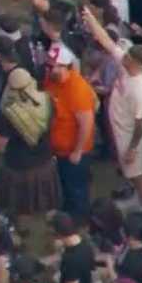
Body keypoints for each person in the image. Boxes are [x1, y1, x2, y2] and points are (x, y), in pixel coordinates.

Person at [83, 6, 142, 203]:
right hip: (117, 126)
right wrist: (90, 19)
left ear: (140, 64)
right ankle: (128, 189)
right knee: (124, 168)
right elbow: (105, 40)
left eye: (129, 59)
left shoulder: (140, 89)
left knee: (137, 173)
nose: (124, 59)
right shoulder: (126, 63)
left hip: (130, 134)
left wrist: (132, 148)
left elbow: (140, 122)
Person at [44, 42, 97, 220]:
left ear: (65, 66)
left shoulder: (78, 89)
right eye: (49, 65)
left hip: (73, 151)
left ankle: (79, 220)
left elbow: (86, 124)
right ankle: (67, 213)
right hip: (57, 148)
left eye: (53, 66)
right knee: (65, 185)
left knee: (77, 188)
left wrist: (78, 151)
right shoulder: (51, 80)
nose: (50, 69)